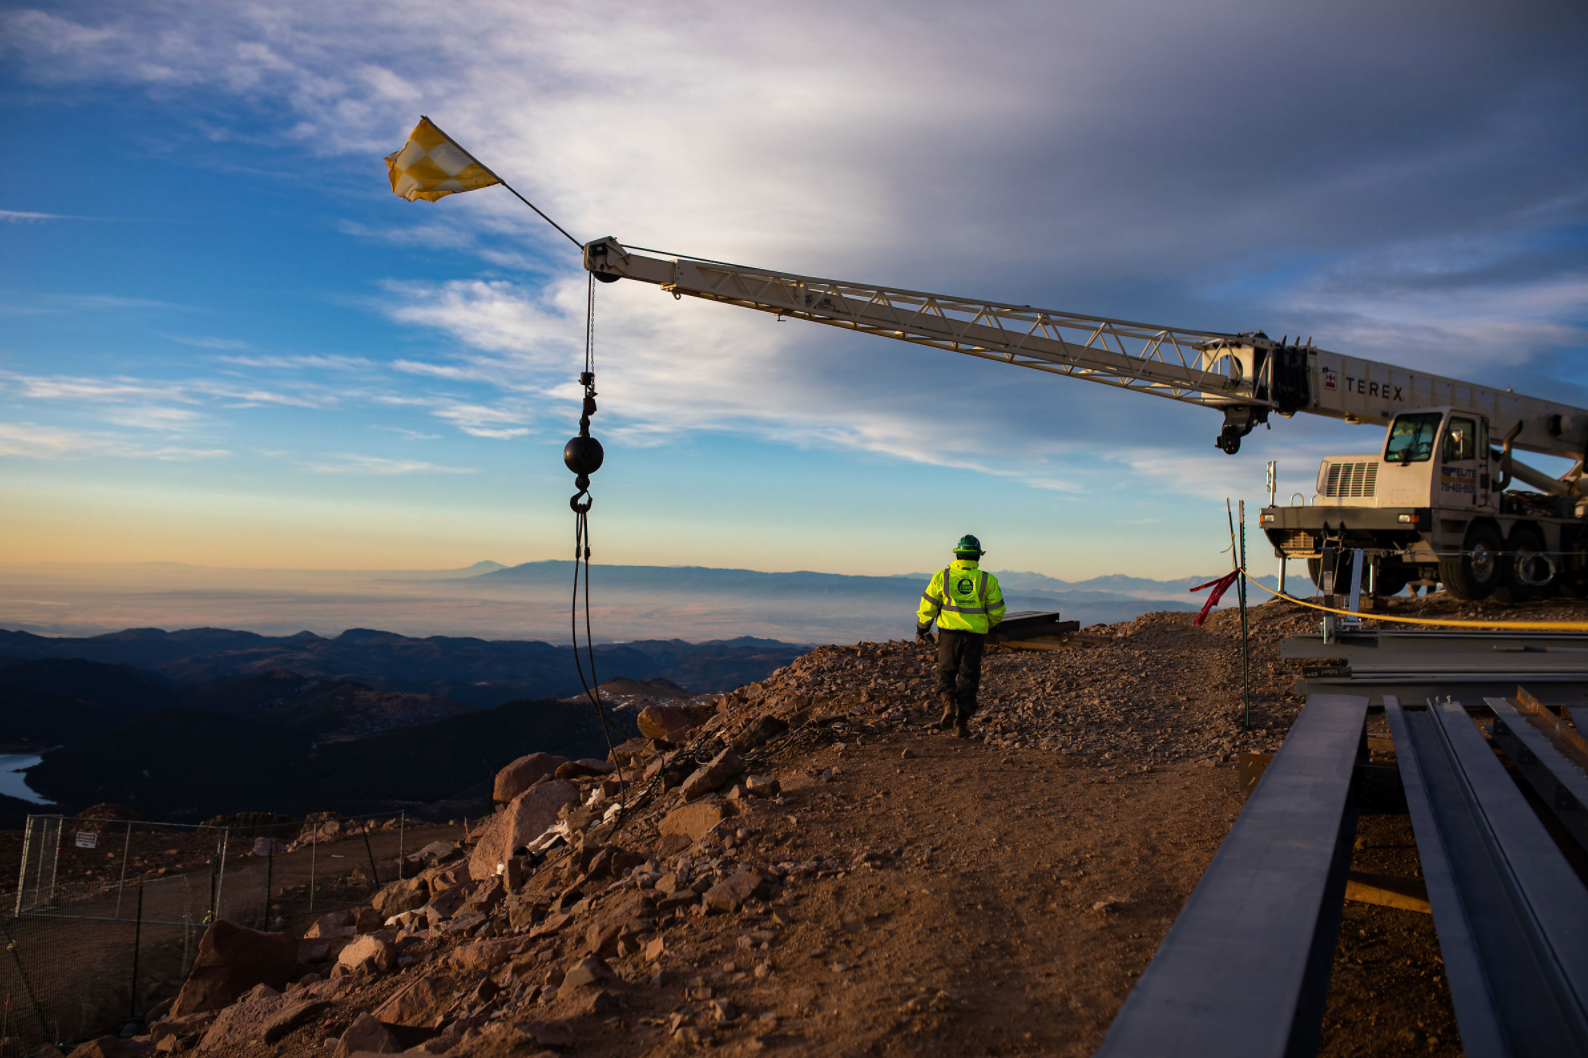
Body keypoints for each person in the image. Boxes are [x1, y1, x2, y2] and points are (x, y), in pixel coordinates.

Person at [915, 534, 1006, 738]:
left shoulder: (942, 577)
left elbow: (928, 606)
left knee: (945, 672)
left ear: (957, 555)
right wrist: (988, 624)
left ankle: (948, 705)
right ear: (977, 557)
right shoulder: (987, 580)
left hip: (949, 636)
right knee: (968, 678)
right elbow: (998, 611)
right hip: (974, 638)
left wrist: (922, 628)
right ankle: (961, 724)